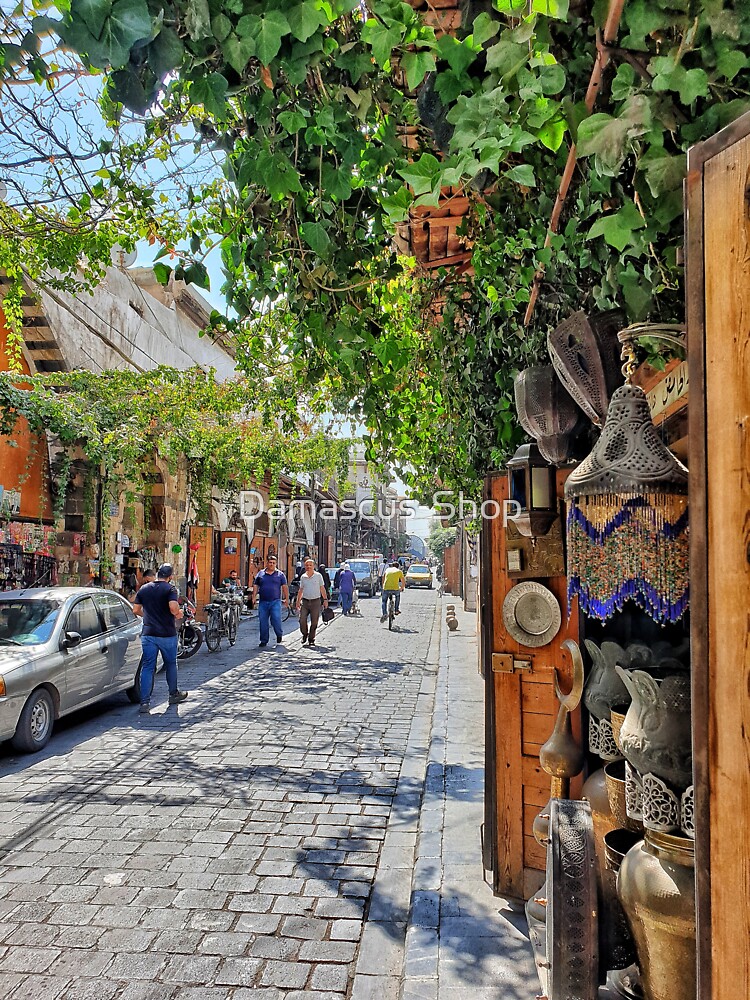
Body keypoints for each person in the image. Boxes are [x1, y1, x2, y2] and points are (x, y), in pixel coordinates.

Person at [132, 564, 188, 714]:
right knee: (170, 664)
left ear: (157, 574)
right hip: (166, 633)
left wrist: (149, 617)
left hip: (148, 633)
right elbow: (173, 607)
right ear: (170, 576)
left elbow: (136, 609)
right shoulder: (170, 589)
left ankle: (144, 703)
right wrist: (178, 614)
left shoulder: (144, 588)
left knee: (148, 666)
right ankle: (173, 694)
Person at [251, 554, 289, 648]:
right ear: (267, 563)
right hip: (263, 602)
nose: (271, 564)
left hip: (275, 601)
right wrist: (254, 597)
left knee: (276, 619)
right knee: (263, 622)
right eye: (270, 562)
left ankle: (279, 634)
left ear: (276, 564)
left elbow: (284, 587)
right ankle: (264, 640)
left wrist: (287, 599)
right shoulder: (260, 574)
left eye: (273, 563)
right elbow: (256, 585)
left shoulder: (280, 575)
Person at [296, 557, 328, 646]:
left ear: (314, 566)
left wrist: (325, 599)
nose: (308, 567)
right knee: (302, 620)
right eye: (306, 565)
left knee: (314, 622)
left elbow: (322, 588)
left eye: (310, 565)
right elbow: (301, 589)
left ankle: (311, 638)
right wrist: (298, 601)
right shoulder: (303, 577)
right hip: (305, 602)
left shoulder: (318, 576)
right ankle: (305, 634)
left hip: (316, 602)